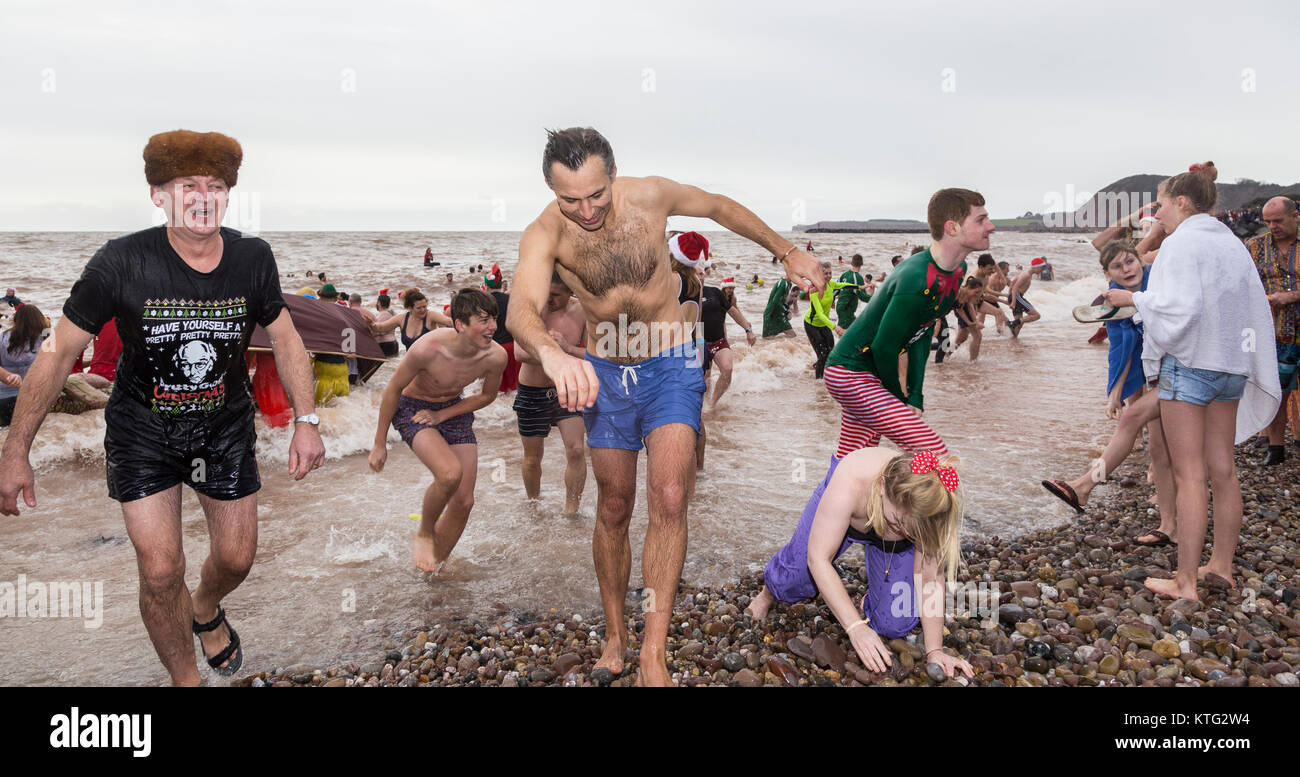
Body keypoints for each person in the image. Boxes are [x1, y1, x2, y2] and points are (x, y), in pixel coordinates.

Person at [0, 130, 325, 685]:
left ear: (229, 195)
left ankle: (205, 606)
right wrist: (15, 450)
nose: (203, 197)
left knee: (237, 557)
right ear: (158, 195)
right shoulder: (121, 261)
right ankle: (185, 679)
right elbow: (57, 354)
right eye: (187, 186)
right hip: (142, 431)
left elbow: (287, 338)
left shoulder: (252, 258)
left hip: (222, 429)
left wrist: (307, 421)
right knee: (159, 569)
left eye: (216, 186)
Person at [507, 127, 821, 686]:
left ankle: (653, 651)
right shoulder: (545, 232)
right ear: (552, 191)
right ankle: (615, 636)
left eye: (596, 194)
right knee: (614, 506)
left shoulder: (650, 196)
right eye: (570, 199)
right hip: (607, 374)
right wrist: (552, 356)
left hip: (671, 360)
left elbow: (718, 206)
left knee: (671, 496)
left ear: (613, 174)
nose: (586, 210)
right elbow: (519, 311)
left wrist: (786, 250)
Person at [1104, 171, 1280, 599]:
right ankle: (1221, 566)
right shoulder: (1231, 243)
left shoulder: (1181, 242)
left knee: (1189, 475)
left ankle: (1185, 581)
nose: (1158, 214)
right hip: (1231, 365)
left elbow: (1180, 308)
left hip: (1191, 365)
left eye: (1161, 204)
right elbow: (1247, 305)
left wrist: (1132, 299)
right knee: (1224, 470)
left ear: (1182, 202)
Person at [745, 448, 972, 679]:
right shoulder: (851, 482)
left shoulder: (928, 510)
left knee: (894, 623)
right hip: (847, 515)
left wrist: (935, 651)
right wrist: (855, 627)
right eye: (898, 523)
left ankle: (874, 598)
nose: (904, 533)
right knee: (793, 578)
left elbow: (930, 577)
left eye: (911, 532)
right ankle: (767, 594)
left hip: (893, 523)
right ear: (882, 487)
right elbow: (818, 558)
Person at [823, 189, 989, 462]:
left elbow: (922, 334)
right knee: (936, 455)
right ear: (952, 228)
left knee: (853, 459)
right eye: (981, 220)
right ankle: (925, 493)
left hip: (867, 375)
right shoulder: (916, 277)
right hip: (849, 372)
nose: (990, 226)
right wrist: (899, 398)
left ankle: (836, 491)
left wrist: (916, 396)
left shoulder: (957, 273)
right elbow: (883, 348)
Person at [1042, 241, 1177, 546]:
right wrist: (1114, 395)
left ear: (1140, 260)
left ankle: (1084, 486)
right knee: (1158, 450)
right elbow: (1121, 350)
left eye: (1130, 261)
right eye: (1117, 266)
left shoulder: (1161, 280)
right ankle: (1170, 525)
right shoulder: (1112, 302)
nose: (1126, 269)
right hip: (1158, 375)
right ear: (1107, 273)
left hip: (1184, 370)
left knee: (1141, 427)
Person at [369, 289, 506, 573]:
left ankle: (436, 567)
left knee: (464, 500)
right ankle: (425, 532)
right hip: (413, 409)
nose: (493, 326)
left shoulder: (495, 356)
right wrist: (379, 443)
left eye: (493, 318)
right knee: (449, 474)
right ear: (460, 324)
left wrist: (442, 414)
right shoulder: (427, 349)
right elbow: (393, 389)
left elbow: (487, 395)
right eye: (483, 320)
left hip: (453, 410)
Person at [513, 273, 588, 515]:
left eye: (556, 295)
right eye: (547, 293)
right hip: (532, 391)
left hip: (567, 387)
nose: (549, 299)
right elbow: (520, 354)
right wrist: (555, 351)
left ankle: (571, 511)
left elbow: (593, 355)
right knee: (532, 457)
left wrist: (568, 347)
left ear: (571, 292)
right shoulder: (531, 309)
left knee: (576, 450)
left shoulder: (583, 311)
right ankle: (534, 506)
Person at [1246, 196, 1300, 466]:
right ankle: (1276, 448)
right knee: (1277, 390)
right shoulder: (1255, 247)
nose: (1272, 226)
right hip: (1274, 333)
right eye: (1267, 221)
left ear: (1295, 216)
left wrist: (1292, 296)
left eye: (1278, 220)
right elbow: (1242, 284)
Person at [701, 278, 756, 413]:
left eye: (702, 274)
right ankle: (702, 406)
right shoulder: (685, 294)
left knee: (727, 369)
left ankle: (711, 405)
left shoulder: (714, 292)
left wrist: (748, 329)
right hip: (699, 341)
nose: (701, 277)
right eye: (698, 274)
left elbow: (733, 311)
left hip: (719, 339)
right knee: (705, 376)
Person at [804, 262, 857, 380]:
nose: (828, 276)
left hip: (823, 324)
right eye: (826, 273)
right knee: (823, 354)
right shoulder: (814, 291)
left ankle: (816, 366)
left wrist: (859, 287)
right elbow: (820, 314)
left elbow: (843, 285)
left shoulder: (831, 284)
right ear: (820, 275)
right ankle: (818, 382)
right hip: (812, 325)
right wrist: (835, 327)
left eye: (830, 273)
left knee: (830, 351)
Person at [370, 288, 454, 351]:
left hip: (430, 361)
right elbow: (380, 327)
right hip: (411, 363)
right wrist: (371, 323)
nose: (423, 310)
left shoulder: (430, 316)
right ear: (410, 307)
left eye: (424, 306)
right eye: (419, 308)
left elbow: (450, 321)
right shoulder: (402, 318)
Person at [485, 270, 520, 394]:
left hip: (492, 348)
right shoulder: (511, 299)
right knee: (515, 389)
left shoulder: (483, 303)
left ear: (486, 285)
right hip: (513, 347)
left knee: (498, 391)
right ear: (501, 284)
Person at [1006, 257, 1046, 337]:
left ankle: (1013, 339)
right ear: (1036, 267)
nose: (1042, 271)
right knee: (1036, 316)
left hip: (1015, 297)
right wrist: (1013, 301)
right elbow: (1015, 287)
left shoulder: (1025, 273)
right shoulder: (1026, 275)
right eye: (1041, 268)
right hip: (1017, 297)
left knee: (1019, 324)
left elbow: (1012, 283)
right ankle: (1012, 323)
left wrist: (1009, 296)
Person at [949, 277, 985, 361]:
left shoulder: (967, 294)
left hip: (960, 310)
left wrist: (974, 321)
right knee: (978, 336)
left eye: (979, 292)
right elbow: (960, 309)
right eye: (976, 292)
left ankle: (946, 354)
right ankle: (973, 361)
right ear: (968, 287)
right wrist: (972, 322)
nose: (977, 295)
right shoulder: (959, 293)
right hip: (941, 314)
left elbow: (968, 307)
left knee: (962, 337)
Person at [835, 254, 872, 329]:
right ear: (862, 263)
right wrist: (876, 298)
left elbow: (836, 288)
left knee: (855, 328)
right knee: (844, 331)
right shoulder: (858, 277)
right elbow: (863, 297)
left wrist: (832, 301)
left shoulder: (844, 274)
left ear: (851, 263)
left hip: (840, 306)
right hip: (847, 309)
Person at [373, 291, 400, 358]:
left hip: (385, 344)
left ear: (379, 303)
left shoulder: (383, 315)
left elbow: (381, 331)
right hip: (393, 342)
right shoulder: (392, 313)